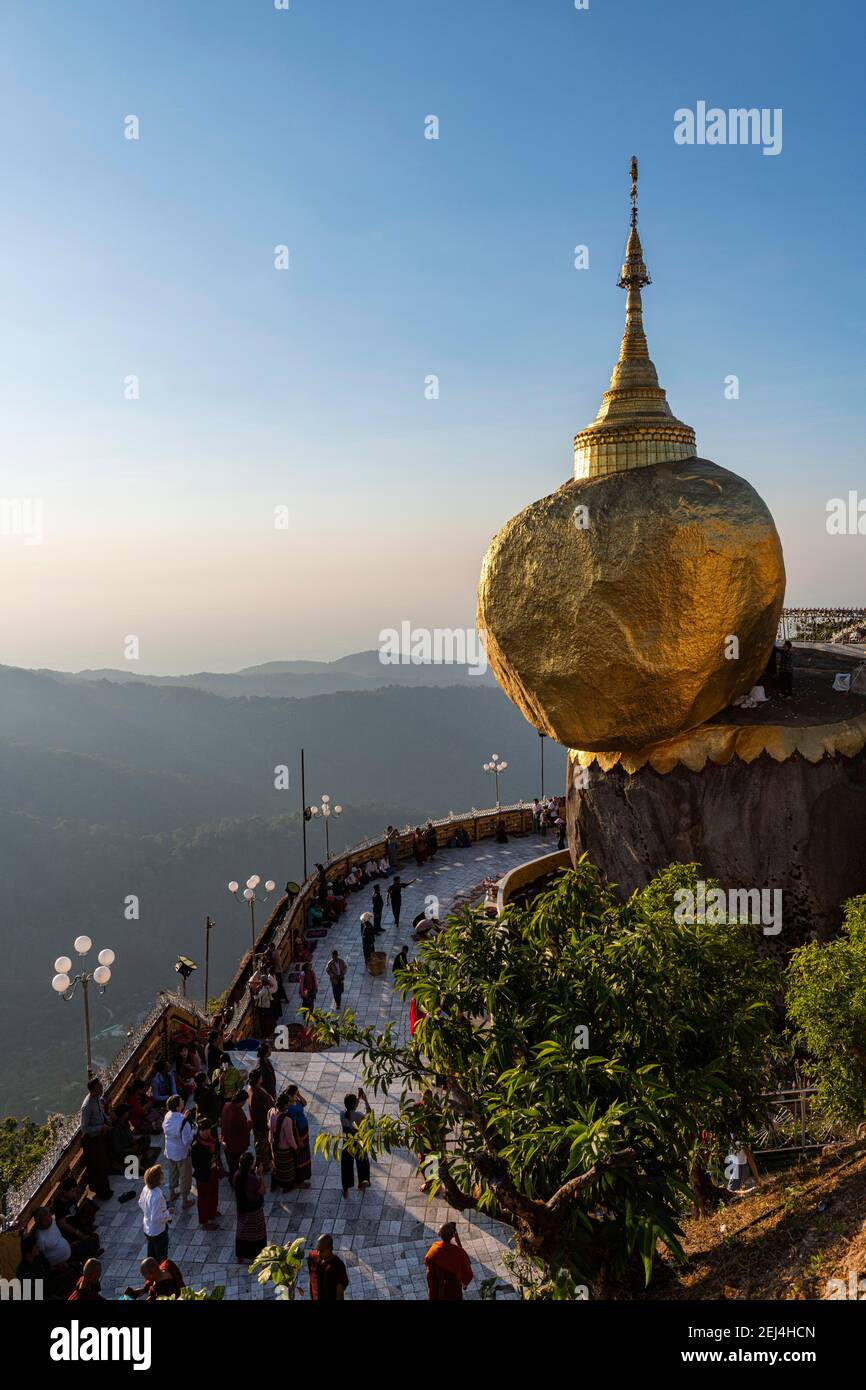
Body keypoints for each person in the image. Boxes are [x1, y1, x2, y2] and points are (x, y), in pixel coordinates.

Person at [79, 1077, 112, 1201]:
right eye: (99, 1088)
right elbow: (84, 1128)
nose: (101, 1089)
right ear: (92, 1090)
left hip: (100, 1136)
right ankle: (103, 1193)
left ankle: (107, 1190)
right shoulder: (87, 1106)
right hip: (92, 1140)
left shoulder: (97, 1098)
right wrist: (100, 1127)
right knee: (99, 1167)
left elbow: (100, 1110)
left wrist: (105, 1118)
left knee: (104, 1164)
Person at [231, 1151, 267, 1263]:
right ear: (251, 1165)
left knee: (242, 1232)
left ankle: (240, 1257)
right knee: (256, 1234)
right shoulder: (252, 1180)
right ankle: (255, 1256)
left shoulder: (237, 1175)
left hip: (242, 1209)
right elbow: (263, 1190)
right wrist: (260, 1174)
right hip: (254, 1210)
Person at [424, 1221, 473, 1300]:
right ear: (453, 1235)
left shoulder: (434, 1249)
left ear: (440, 1234)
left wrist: (430, 1288)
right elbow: (467, 1272)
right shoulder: (459, 1253)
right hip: (453, 1291)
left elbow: (429, 1272)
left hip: (437, 1291)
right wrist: (458, 1241)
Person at [163, 1096, 196, 1209]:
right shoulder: (183, 1121)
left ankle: (172, 1193)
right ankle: (185, 1201)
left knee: (172, 1172)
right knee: (185, 1176)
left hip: (170, 1150)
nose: (183, 1101)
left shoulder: (167, 1116)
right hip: (182, 1153)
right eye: (181, 1101)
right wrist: (193, 1131)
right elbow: (186, 1141)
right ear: (178, 1106)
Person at [191, 1119, 224, 1229]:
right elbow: (195, 1164)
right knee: (204, 1198)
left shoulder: (212, 1140)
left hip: (213, 1171)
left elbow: (217, 1150)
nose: (206, 1133)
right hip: (203, 1175)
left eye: (207, 1130)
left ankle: (212, 1212)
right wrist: (209, 1161)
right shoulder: (196, 1145)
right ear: (199, 1131)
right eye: (203, 1130)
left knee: (214, 1192)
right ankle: (204, 1221)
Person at [340, 1089, 371, 1199]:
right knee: (362, 1162)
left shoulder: (342, 1114)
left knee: (346, 1165)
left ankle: (346, 1189)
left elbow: (351, 1109)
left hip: (347, 1142)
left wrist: (358, 1099)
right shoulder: (359, 1115)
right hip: (358, 1142)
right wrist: (365, 1101)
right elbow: (369, 1115)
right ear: (355, 1105)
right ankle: (362, 1182)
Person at [139, 1164, 170, 1262]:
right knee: (161, 1257)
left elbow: (140, 1202)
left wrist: (147, 1211)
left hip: (147, 1228)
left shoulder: (146, 1188)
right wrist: (168, 1213)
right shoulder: (157, 1196)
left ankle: (151, 1272)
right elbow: (156, 1218)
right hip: (158, 1231)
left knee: (151, 1253)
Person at [268, 1091, 298, 1192]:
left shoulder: (271, 1112)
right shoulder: (287, 1120)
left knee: (275, 1164)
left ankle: (274, 1183)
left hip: (273, 1143)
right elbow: (290, 1138)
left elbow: (268, 1125)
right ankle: (287, 1186)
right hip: (284, 1148)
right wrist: (295, 1147)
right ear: (285, 1105)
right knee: (286, 1168)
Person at [284, 1084, 312, 1187]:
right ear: (290, 1096)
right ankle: (300, 1180)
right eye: (295, 1094)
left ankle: (304, 1177)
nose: (297, 1095)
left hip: (304, 1131)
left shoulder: (297, 1101)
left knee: (306, 1153)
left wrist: (299, 1095)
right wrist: (299, 1139)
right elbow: (293, 1125)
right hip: (299, 1133)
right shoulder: (290, 1108)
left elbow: (304, 1103)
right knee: (300, 1156)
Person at [307, 1234, 349, 1301]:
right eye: (317, 1249)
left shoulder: (338, 1266)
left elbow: (339, 1294)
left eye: (322, 1251)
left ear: (330, 1249)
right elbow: (311, 1280)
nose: (318, 1253)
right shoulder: (312, 1256)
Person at [220, 1091, 252, 1179]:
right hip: (236, 1145)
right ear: (242, 1101)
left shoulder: (226, 1105)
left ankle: (232, 1178)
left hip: (226, 1141)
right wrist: (249, 1123)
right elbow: (244, 1130)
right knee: (237, 1165)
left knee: (231, 1164)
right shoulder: (238, 1113)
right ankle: (237, 1181)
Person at [247, 1068, 273, 1173]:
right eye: (261, 1076)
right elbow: (263, 1112)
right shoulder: (256, 1096)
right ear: (258, 1079)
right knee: (262, 1146)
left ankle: (264, 1162)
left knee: (263, 1145)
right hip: (261, 1125)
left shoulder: (254, 1089)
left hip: (260, 1124)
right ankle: (264, 1165)